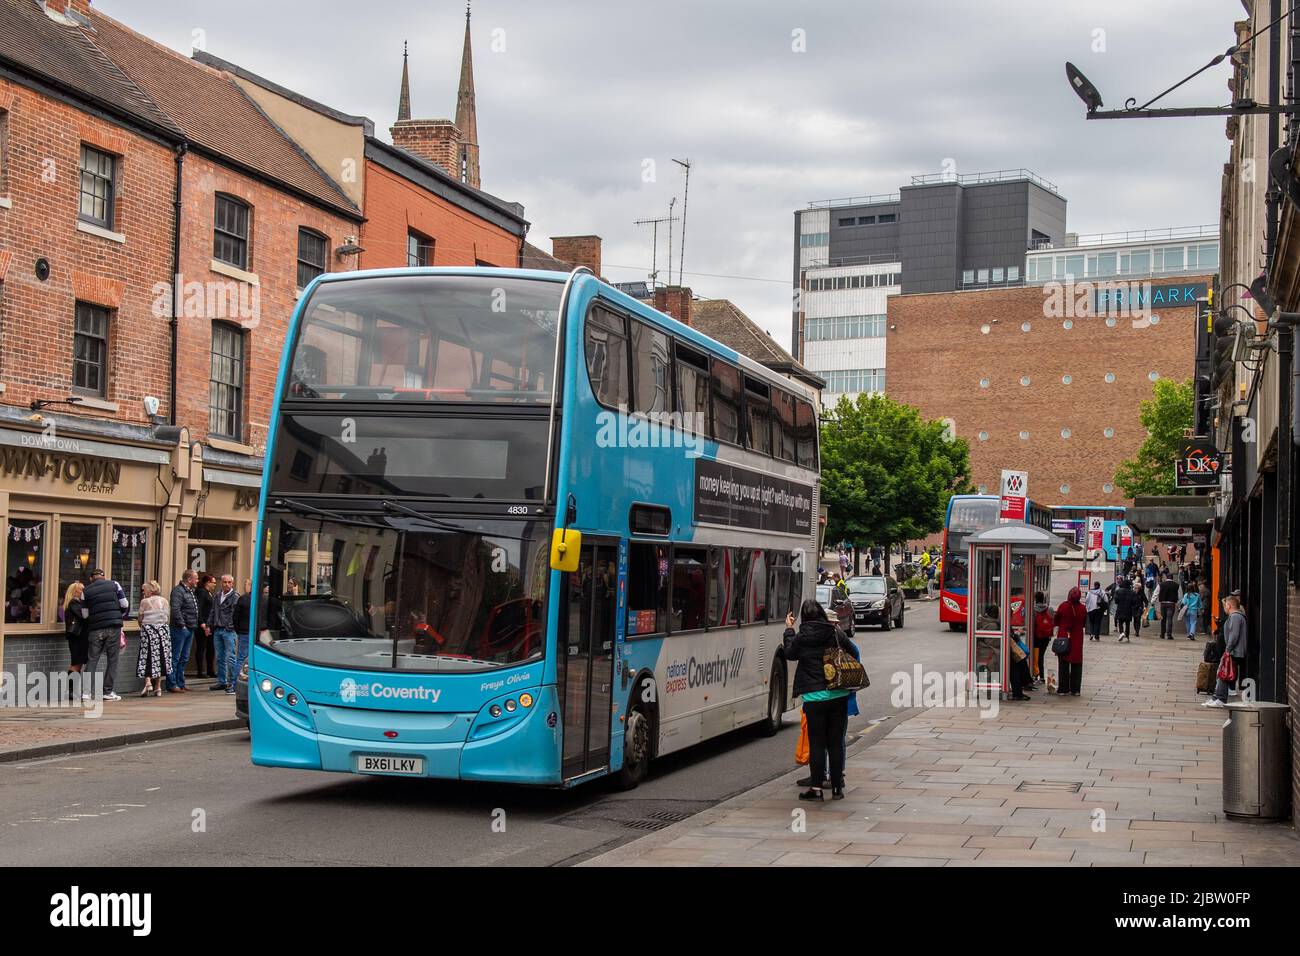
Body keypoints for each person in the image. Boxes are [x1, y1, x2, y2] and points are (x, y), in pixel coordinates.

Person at [781, 599, 855, 801]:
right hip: (837, 693)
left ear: (804, 617)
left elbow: (789, 654)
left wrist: (789, 630)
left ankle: (816, 789)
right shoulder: (834, 633)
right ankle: (838, 789)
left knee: (817, 743)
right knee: (835, 742)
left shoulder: (801, 637)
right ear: (822, 614)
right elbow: (850, 650)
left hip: (814, 697)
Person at [82, 568, 128, 702]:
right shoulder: (114, 584)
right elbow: (124, 604)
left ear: (91, 578)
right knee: (112, 660)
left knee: (92, 660)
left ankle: (86, 693)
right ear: (104, 576)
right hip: (114, 626)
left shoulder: (86, 590)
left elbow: (85, 614)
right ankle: (107, 692)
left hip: (95, 628)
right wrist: (118, 614)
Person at [1204, 595, 1247, 708]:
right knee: (1223, 673)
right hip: (1233, 651)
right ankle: (1217, 697)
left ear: (1229, 605)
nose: (1224, 608)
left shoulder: (1235, 617)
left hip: (1233, 651)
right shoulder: (1236, 617)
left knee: (1223, 674)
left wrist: (1227, 650)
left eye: (1224, 606)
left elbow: (1234, 635)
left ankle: (1220, 699)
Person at [135, 581, 172, 697]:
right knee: (161, 656)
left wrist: (144, 626)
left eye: (144, 589)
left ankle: (148, 682)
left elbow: (140, 617)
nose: (142, 592)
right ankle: (158, 687)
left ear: (150, 590)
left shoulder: (145, 601)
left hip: (149, 630)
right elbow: (167, 617)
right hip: (163, 631)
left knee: (147, 655)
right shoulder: (164, 601)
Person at [167, 570, 199, 693]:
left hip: (190, 627)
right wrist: (182, 625)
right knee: (175, 656)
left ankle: (181, 683)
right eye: (196, 578)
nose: (197, 580)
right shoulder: (178, 591)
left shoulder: (190, 591)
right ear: (189, 579)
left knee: (184, 657)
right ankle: (172, 684)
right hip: (179, 629)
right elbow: (175, 609)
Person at [208, 574, 240, 694]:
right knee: (220, 657)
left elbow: (234, 614)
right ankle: (222, 681)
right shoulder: (217, 595)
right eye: (224, 582)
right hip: (217, 629)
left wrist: (229, 627)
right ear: (221, 583)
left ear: (232, 583)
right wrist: (209, 625)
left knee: (230, 657)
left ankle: (232, 682)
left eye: (229, 582)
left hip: (229, 631)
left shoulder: (235, 596)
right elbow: (213, 611)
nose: (226, 584)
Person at [1053, 586, 1086, 696]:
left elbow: (1056, 619)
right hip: (1077, 637)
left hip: (1064, 636)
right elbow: (1085, 622)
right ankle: (1075, 689)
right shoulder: (1082, 608)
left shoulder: (1063, 606)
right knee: (1076, 663)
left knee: (1063, 663)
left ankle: (1063, 688)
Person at [62, 582, 89, 680]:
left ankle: (73, 690)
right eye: (82, 589)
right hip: (77, 638)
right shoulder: (74, 603)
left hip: (79, 637)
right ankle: (71, 691)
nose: (84, 591)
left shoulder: (76, 603)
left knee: (78, 663)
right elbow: (84, 617)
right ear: (75, 592)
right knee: (76, 663)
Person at [193, 573, 216, 677]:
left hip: (210, 625)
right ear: (208, 583)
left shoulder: (210, 593)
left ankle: (210, 670)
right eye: (213, 582)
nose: (215, 584)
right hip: (202, 625)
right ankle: (200, 671)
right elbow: (199, 609)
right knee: (201, 647)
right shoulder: (201, 592)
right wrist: (202, 623)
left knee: (211, 648)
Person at [1031, 591, 1054, 683]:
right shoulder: (1049, 609)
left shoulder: (1032, 610)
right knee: (1041, 656)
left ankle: (1037, 675)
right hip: (1046, 637)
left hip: (1036, 636)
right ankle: (1042, 677)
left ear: (1035, 599)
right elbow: (1052, 620)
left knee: (1036, 656)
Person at [234, 577, 253, 682]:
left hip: (244, 632)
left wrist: (238, 630)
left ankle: (236, 683)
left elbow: (236, 616)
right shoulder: (261, 598)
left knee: (241, 658)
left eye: (246, 584)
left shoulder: (243, 598)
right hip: (255, 633)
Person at [1112, 577, 1141, 642]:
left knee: (1120, 622)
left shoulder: (1118, 591)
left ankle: (1121, 632)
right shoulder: (1132, 592)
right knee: (1127, 623)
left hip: (1120, 609)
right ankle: (1127, 637)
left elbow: (1116, 601)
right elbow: (1134, 602)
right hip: (1128, 609)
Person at [1157, 572, 1180, 640]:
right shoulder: (1177, 585)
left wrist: (1152, 602)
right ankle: (1169, 634)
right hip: (1171, 604)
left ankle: (1162, 634)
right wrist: (1178, 605)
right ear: (1172, 578)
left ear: (1166, 577)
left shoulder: (1161, 584)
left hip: (1163, 604)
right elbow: (1180, 596)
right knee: (1170, 619)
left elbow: (1156, 593)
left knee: (1163, 619)